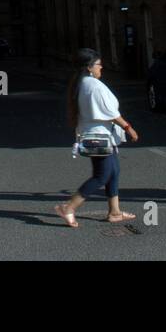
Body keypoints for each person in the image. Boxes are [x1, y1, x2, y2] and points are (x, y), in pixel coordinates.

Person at [54, 49, 139, 228]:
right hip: (98, 137)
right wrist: (128, 127)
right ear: (89, 67)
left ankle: (114, 212)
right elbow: (110, 112)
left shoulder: (83, 83)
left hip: (96, 135)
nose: (102, 68)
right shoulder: (92, 85)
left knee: (113, 171)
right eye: (99, 64)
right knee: (102, 175)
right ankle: (69, 207)